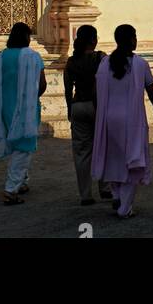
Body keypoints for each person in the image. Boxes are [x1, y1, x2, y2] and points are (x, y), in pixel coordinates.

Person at [91, 24, 153, 219]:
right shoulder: (140, 64)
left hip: (109, 119)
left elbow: (97, 91)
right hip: (131, 120)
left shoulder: (105, 63)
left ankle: (117, 195)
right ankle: (125, 208)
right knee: (132, 161)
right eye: (134, 36)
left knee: (114, 159)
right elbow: (152, 92)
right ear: (131, 39)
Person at [0, 22, 46, 206]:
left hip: (5, 108)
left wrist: (2, 97)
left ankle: (22, 181)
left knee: (16, 143)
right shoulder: (34, 57)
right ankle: (10, 189)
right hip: (27, 108)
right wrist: (30, 99)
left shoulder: (1, 56)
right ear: (27, 37)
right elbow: (42, 85)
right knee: (24, 146)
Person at [63, 25, 111, 205]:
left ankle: (85, 194)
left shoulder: (71, 61)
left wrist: (70, 109)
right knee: (103, 147)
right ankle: (105, 187)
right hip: (97, 106)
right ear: (93, 40)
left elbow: (68, 88)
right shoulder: (101, 58)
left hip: (78, 105)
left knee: (82, 152)